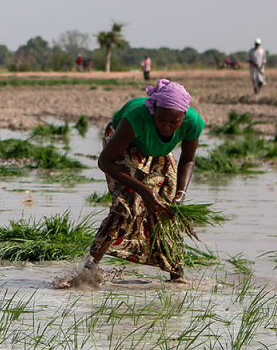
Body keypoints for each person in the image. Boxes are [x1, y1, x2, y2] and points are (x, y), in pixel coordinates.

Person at [82, 79, 203, 284]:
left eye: (174, 123)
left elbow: (188, 159)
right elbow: (105, 161)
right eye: (162, 120)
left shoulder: (194, 123)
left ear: (183, 116)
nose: (166, 127)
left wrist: (180, 194)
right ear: (154, 110)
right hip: (126, 144)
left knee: (169, 208)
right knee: (127, 204)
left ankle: (176, 277)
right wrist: (144, 191)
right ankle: (86, 272)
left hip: (157, 150)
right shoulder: (135, 119)